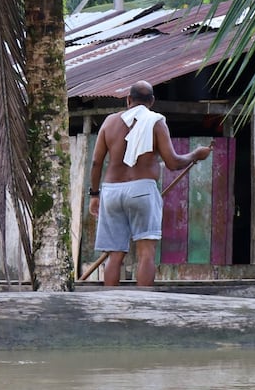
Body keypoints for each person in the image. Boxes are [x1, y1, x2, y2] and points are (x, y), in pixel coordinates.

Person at [88, 80, 212, 286]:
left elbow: (96, 162)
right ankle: (143, 309)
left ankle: (108, 308)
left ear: (128, 100)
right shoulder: (156, 122)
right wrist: (195, 155)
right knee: (146, 253)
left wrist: (94, 195)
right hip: (142, 190)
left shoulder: (109, 122)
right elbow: (172, 162)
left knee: (114, 255)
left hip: (111, 192)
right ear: (152, 101)